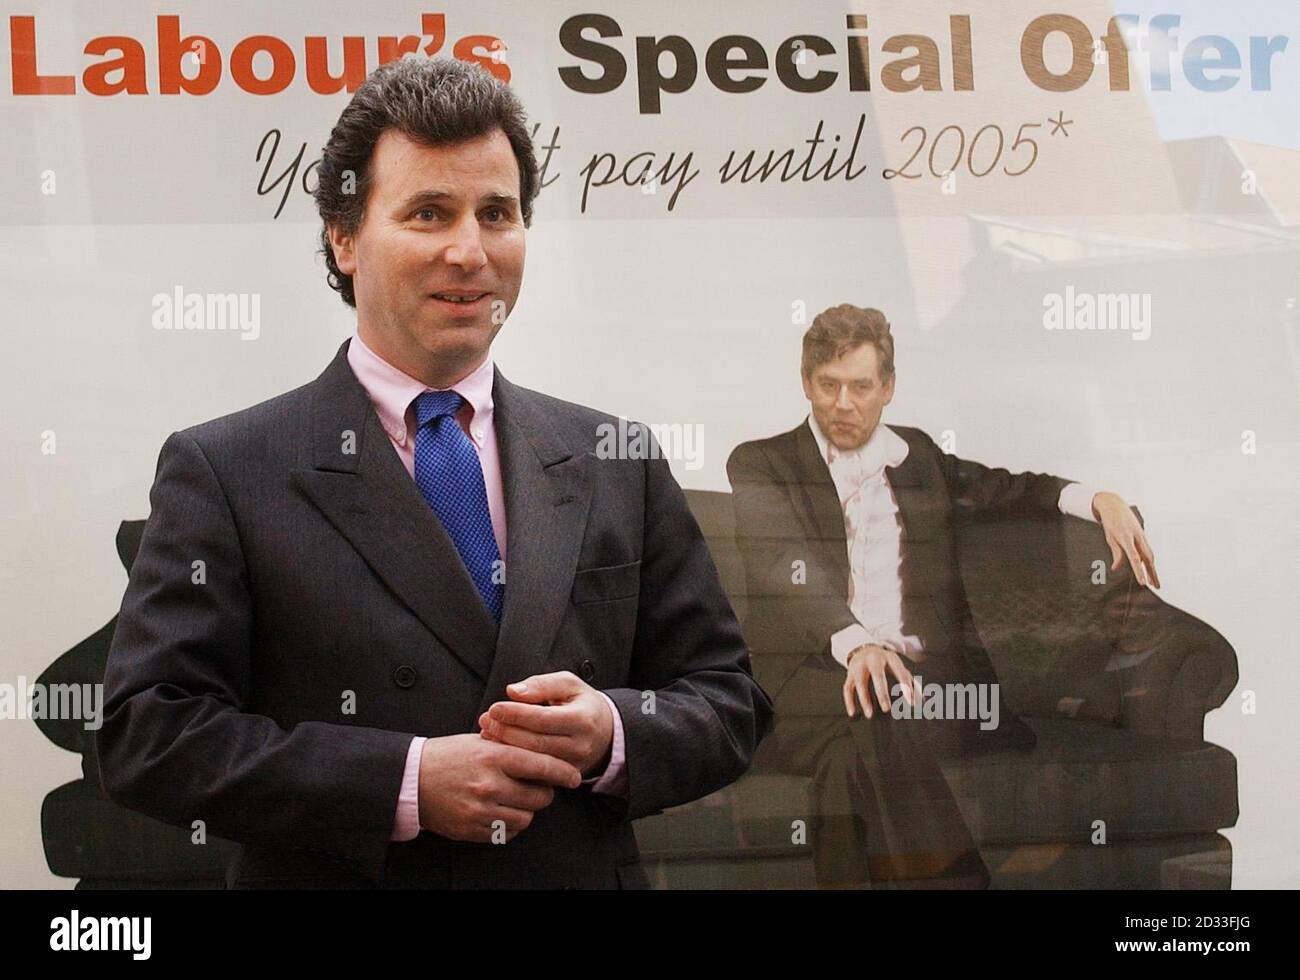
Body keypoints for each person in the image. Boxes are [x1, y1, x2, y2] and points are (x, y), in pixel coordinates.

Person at [97, 56, 771, 890]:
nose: (469, 250)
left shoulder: (614, 459)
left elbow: (728, 701)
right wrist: (404, 783)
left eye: (497, 212)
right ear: (343, 240)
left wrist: (612, 729)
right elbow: (149, 736)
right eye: (428, 213)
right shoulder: (228, 470)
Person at [726, 304, 1157, 888]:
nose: (843, 404)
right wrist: (857, 645)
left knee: (851, 754)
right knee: (877, 700)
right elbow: (783, 562)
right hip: (802, 683)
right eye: (827, 386)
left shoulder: (920, 457)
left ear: (889, 388)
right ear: (806, 383)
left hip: (935, 692)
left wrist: (1096, 497)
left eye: (860, 386)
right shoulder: (761, 463)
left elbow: (1006, 488)